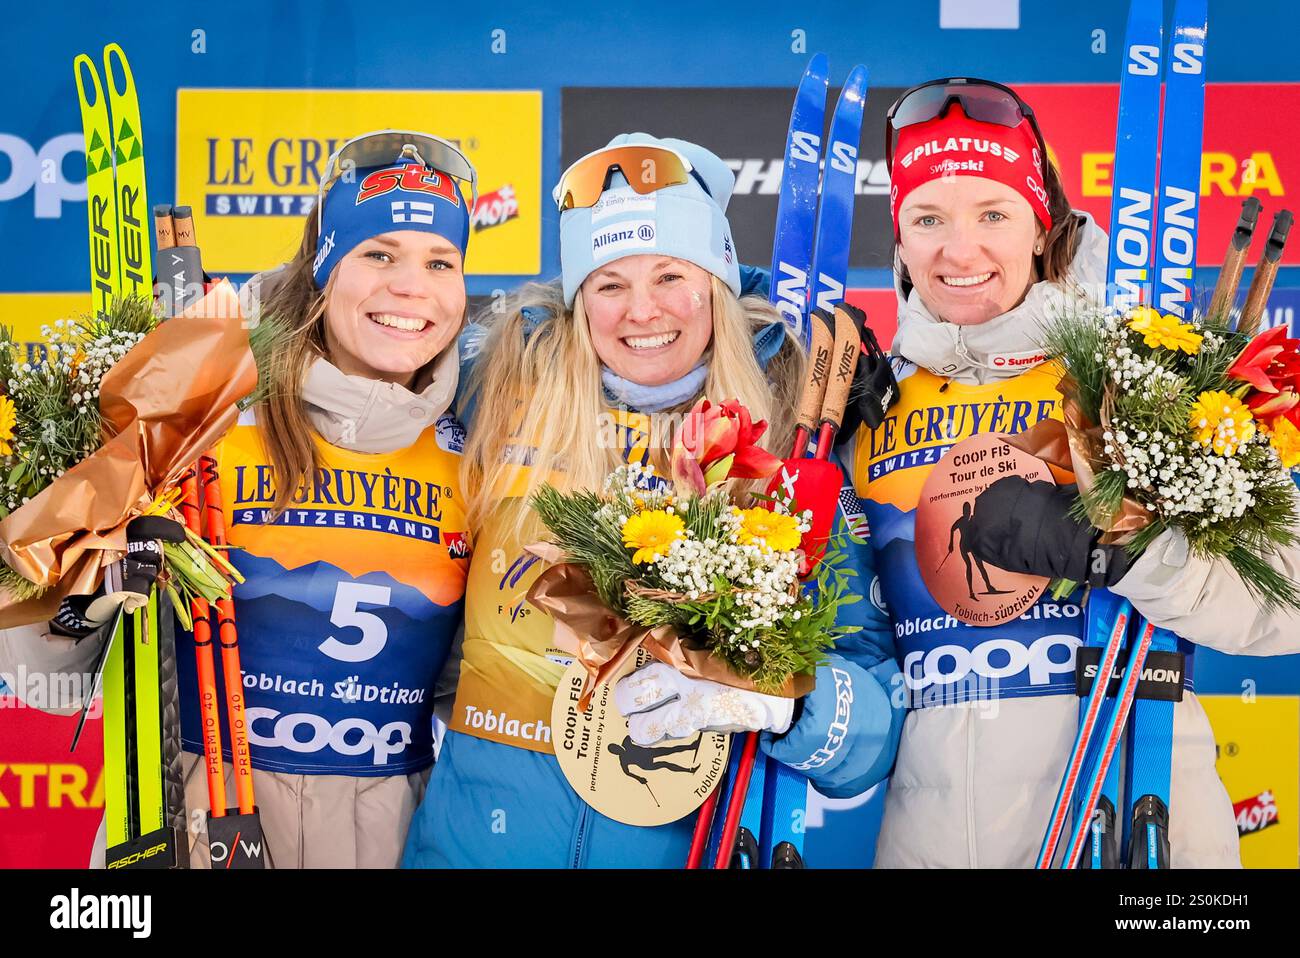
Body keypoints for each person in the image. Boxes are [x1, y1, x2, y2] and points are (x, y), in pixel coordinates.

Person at [402, 133, 904, 867]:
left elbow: (873, 723)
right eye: (609, 285)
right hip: (474, 846)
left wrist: (788, 702)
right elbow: (359, 352)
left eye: (671, 274)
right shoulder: (497, 390)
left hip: (686, 845)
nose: (642, 311)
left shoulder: (789, 439)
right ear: (579, 301)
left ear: (718, 282)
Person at [848, 77, 1300, 867]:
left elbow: (1287, 595)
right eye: (929, 219)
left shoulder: (1142, 376)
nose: (960, 251)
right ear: (901, 241)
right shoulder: (864, 409)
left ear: (1039, 225)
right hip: (928, 840)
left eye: (993, 213)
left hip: (1135, 818)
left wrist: (1115, 554)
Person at [0, 130, 476, 868]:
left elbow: (476, 689)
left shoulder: (472, 455)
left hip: (397, 843)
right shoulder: (207, 419)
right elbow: (48, 673)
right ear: (323, 272)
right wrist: (94, 591)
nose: (411, 287)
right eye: (377, 254)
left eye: (440, 262)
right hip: (195, 832)